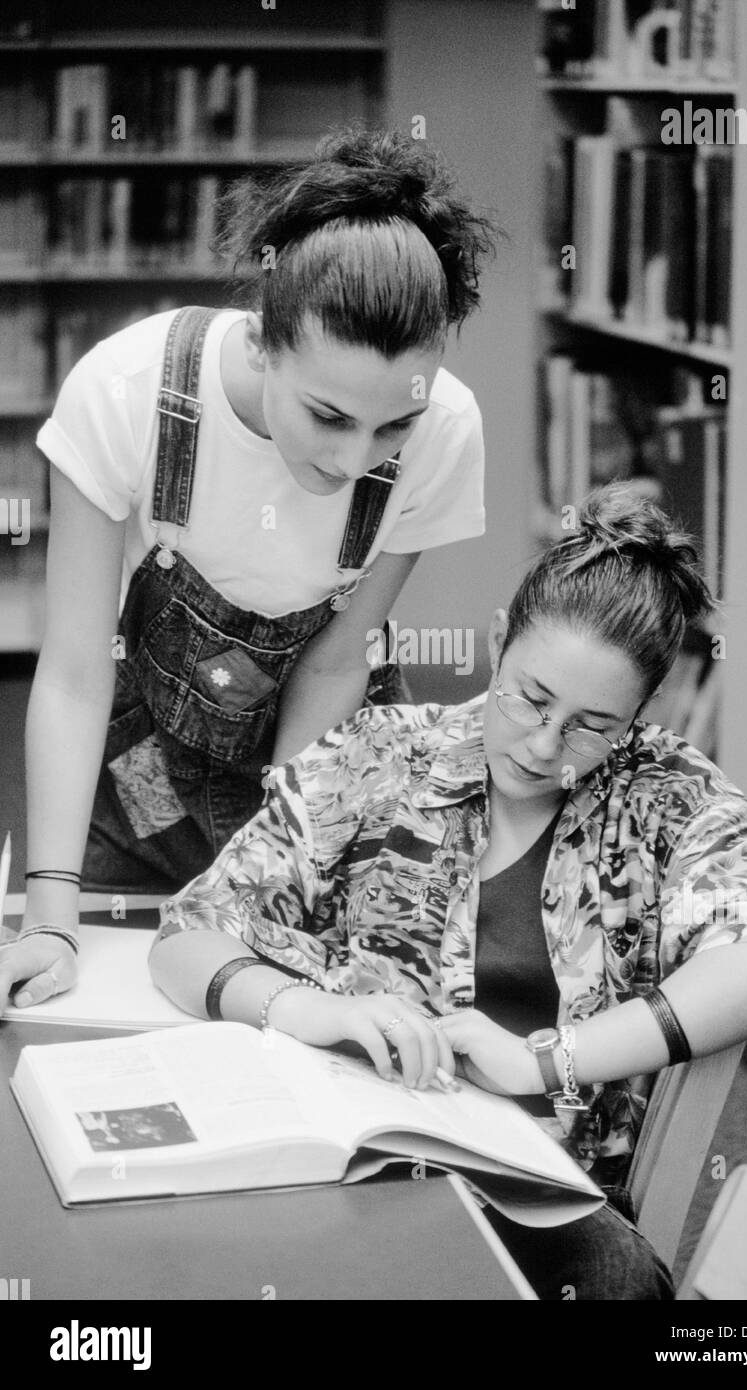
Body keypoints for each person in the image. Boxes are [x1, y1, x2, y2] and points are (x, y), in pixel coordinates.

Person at [142, 483, 747, 1299]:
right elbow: (186, 937)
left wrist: (543, 1060)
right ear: (499, 643)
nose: (542, 745)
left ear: (642, 713)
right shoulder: (382, 757)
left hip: (540, 1187)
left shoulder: (668, 800)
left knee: (619, 1284)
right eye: (531, 697)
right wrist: (308, 1010)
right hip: (361, 1151)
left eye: (591, 725)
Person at [4, 127, 497, 1011]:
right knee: (99, 1010)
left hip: (317, 769)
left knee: (309, 1027)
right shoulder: (124, 391)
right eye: (329, 415)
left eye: (393, 428)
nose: (356, 461)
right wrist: (48, 913)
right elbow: (75, 670)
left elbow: (337, 660)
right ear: (265, 338)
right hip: (143, 767)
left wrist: (278, 874)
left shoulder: (449, 431)